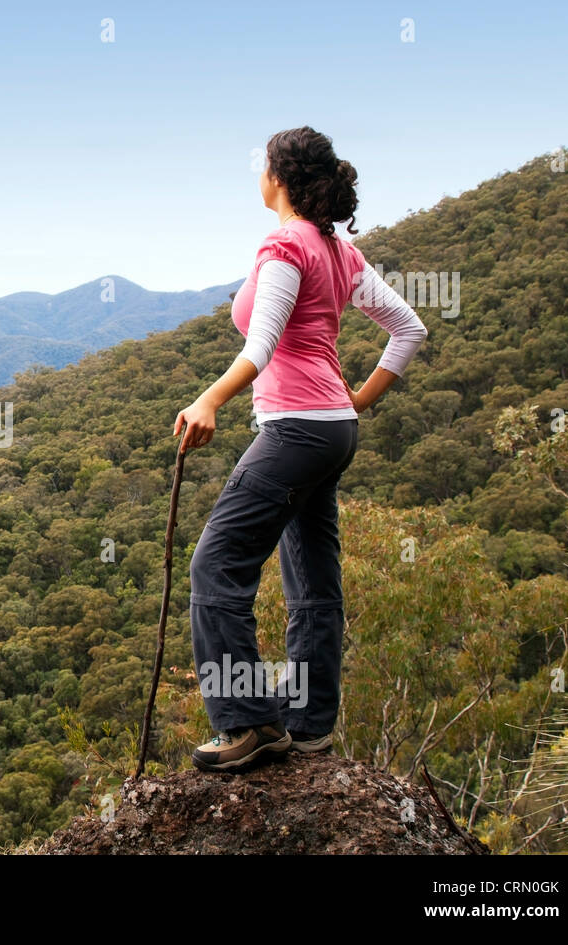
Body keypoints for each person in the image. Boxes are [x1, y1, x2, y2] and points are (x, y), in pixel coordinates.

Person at [172, 126, 428, 773]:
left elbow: (258, 349)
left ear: (279, 179)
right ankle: (310, 726)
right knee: (312, 577)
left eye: (262, 167)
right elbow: (409, 328)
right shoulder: (339, 251)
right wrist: (358, 401)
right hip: (333, 429)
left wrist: (208, 401)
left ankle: (248, 721)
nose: (258, 176)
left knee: (216, 565)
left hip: (296, 429)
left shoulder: (286, 245)